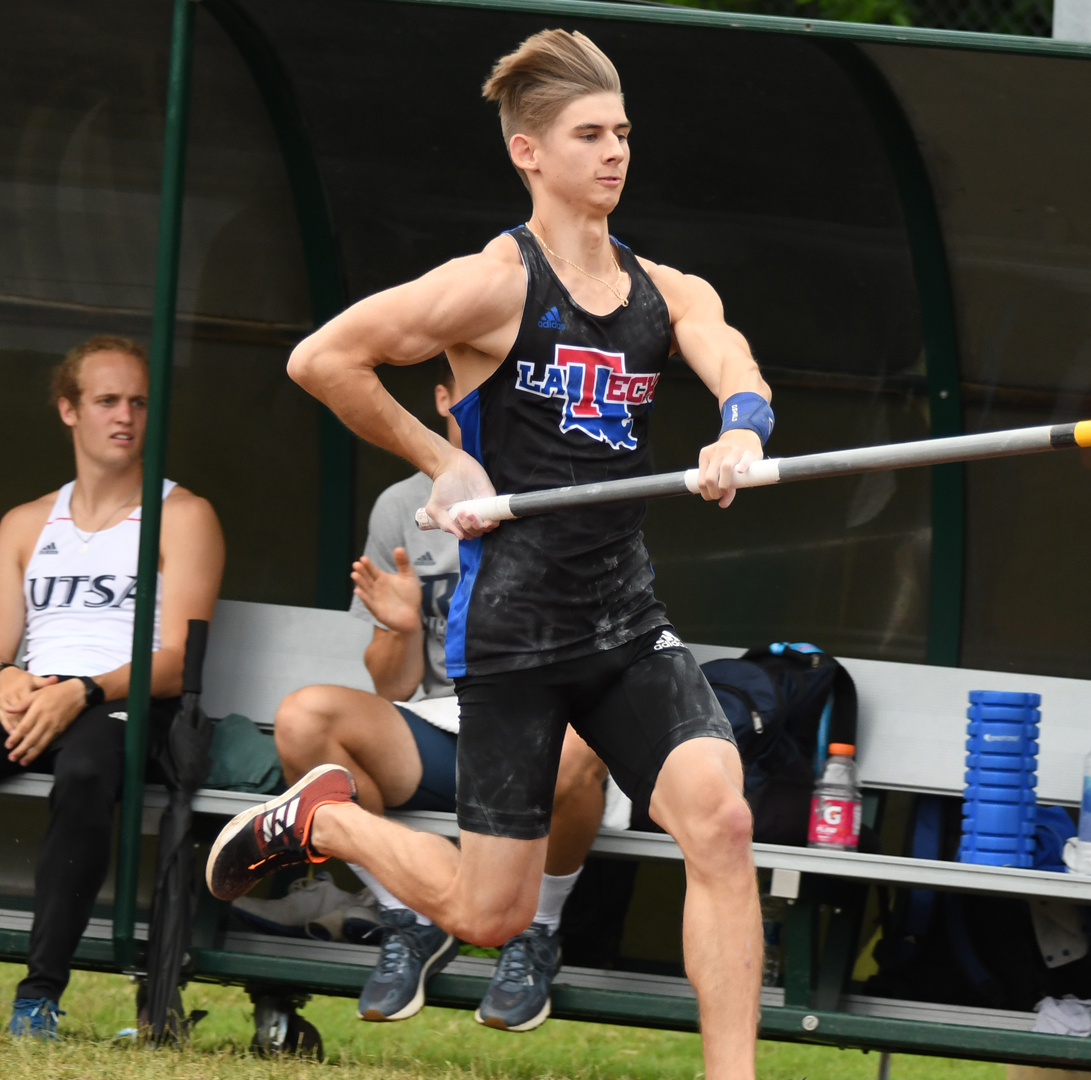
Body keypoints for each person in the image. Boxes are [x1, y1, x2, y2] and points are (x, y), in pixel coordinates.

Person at [208, 30, 771, 1079]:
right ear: (529, 152)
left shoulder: (661, 290)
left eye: (623, 134)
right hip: (516, 632)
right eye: (589, 134)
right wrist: (440, 459)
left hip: (627, 624)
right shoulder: (495, 285)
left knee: (721, 821)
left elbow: (726, 348)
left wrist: (740, 428)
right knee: (487, 909)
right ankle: (328, 826)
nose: (614, 153)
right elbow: (321, 357)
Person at [0, 335, 225, 1036]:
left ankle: (39, 997)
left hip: (121, 705)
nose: (126, 417)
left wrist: (81, 692)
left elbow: (178, 662)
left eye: (140, 403)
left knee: (86, 770)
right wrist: (9, 679)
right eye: (107, 401)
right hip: (37, 697)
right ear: (68, 410)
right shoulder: (28, 522)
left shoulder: (183, 515)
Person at [235, 372, 611, 1031]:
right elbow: (393, 686)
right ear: (441, 398)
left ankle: (536, 932)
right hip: (440, 731)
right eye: (470, 389)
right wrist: (402, 627)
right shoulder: (402, 505)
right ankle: (407, 918)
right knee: (302, 719)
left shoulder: (568, 490)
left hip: (541, 732)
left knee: (582, 745)